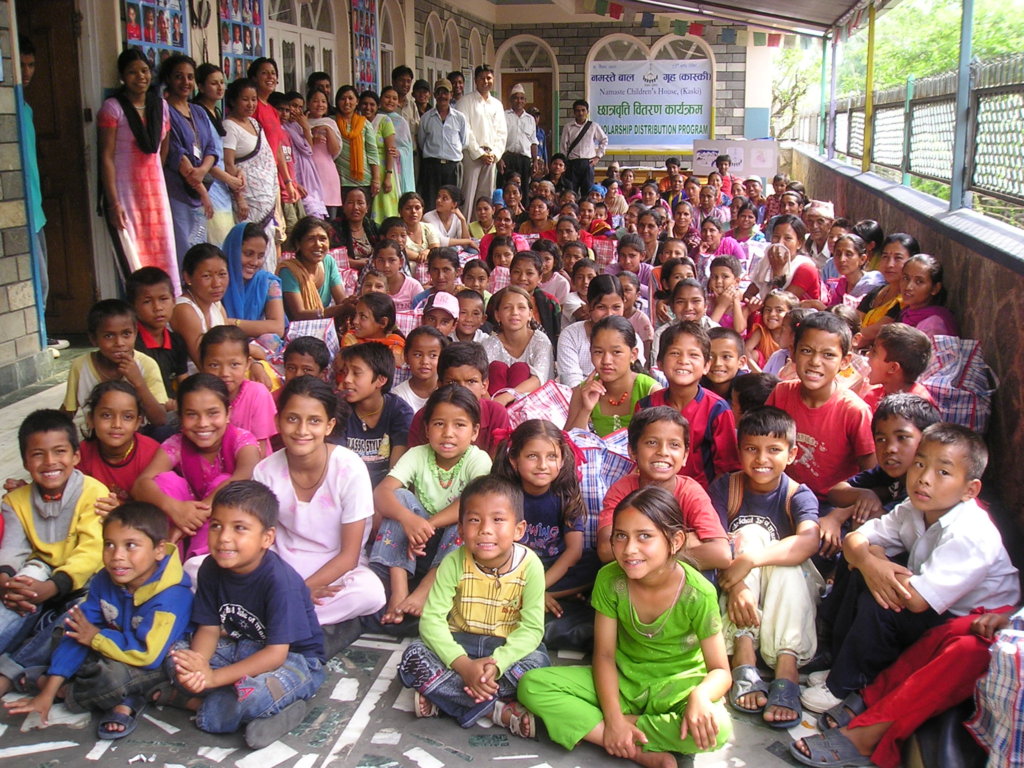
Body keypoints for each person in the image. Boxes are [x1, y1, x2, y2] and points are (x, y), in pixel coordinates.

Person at [801, 424, 1020, 717]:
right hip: (927, 593)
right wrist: (870, 561)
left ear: (970, 490)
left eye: (943, 472)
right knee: (856, 570)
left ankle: (846, 684)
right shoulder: (913, 508)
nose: (924, 478)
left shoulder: (970, 533)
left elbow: (915, 601)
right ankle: (837, 657)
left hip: (970, 618)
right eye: (919, 464)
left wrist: (872, 561)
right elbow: (855, 540)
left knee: (883, 603)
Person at [518, 485, 732, 760]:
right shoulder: (610, 579)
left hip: (678, 689)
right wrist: (614, 717)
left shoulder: (698, 593)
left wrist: (699, 696)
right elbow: (604, 655)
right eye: (620, 536)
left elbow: (721, 671)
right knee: (533, 685)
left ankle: (605, 729)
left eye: (645, 536)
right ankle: (634, 748)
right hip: (622, 682)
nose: (629, 549)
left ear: (676, 541)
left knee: (719, 730)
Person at [3, 503, 192, 740]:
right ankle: (61, 687)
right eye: (109, 544)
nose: (117, 556)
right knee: (67, 628)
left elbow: (148, 656)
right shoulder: (105, 579)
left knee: (111, 680)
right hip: (112, 647)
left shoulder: (172, 597)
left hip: (157, 663)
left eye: (130, 545)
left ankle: (67, 690)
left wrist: (95, 638)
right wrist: (47, 695)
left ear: (159, 550)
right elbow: (79, 630)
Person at [164, 481, 326, 749]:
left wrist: (212, 678)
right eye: (216, 526)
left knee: (253, 696)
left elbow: (276, 655)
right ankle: (238, 706)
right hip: (241, 647)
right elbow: (209, 629)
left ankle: (204, 705)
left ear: (267, 538)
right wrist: (199, 666)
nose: (224, 537)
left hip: (293, 660)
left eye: (239, 528)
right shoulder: (210, 568)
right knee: (177, 654)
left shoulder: (279, 581)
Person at [397, 476, 549, 733]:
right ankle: (497, 710)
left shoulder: (530, 565)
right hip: (460, 644)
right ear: (460, 528)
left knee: (537, 668)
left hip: (504, 649)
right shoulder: (453, 562)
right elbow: (432, 621)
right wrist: (463, 665)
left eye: (498, 520)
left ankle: (446, 698)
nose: (485, 530)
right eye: (475, 520)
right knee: (414, 657)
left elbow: (532, 629)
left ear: (519, 529)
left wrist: (497, 664)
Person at [711, 407, 823, 728]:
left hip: (787, 592)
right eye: (752, 448)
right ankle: (743, 652)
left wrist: (749, 560)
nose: (762, 458)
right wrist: (738, 584)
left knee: (783, 559)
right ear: (739, 451)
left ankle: (787, 664)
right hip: (736, 587)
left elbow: (808, 541)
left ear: (792, 454)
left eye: (774, 449)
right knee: (746, 536)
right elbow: (715, 542)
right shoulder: (726, 487)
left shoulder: (797, 495)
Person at [253, 376, 385, 639]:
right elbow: (259, 541)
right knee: (197, 568)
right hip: (280, 567)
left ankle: (267, 619)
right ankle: (292, 618)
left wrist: (300, 590)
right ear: (278, 421)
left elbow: (349, 556)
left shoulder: (349, 468)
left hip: (335, 569)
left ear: (329, 425)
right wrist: (286, 587)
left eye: (314, 421)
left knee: (370, 592)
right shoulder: (265, 471)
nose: (302, 430)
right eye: (292, 419)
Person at [370, 385, 493, 625]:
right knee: (399, 497)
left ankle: (426, 588)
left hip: (451, 545)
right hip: (413, 542)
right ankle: (399, 590)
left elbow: (473, 503)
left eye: (459, 425)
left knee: (471, 515)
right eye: (439, 424)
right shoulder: (418, 454)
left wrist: (428, 524)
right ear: (427, 429)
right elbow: (382, 492)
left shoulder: (478, 459)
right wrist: (408, 519)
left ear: (475, 431)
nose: (448, 433)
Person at [0, 410, 106, 674]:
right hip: (39, 573)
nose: (50, 462)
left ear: (76, 456)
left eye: (60, 452)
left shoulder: (93, 492)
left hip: (85, 579)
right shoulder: (15, 501)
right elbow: (13, 548)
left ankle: (11, 670)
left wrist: (53, 587)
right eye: (38, 454)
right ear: (25, 462)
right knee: (19, 591)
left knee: (85, 612)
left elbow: (90, 551)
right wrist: (6, 581)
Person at [132, 374, 261, 557]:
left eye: (212, 413)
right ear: (180, 417)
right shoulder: (176, 444)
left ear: (228, 414)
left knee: (226, 485)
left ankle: (198, 562)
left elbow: (245, 474)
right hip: (182, 517)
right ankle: (168, 556)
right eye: (192, 415)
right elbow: (140, 484)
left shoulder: (242, 440)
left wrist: (197, 514)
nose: (203, 423)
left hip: (223, 527)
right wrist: (174, 508)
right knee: (165, 481)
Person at [493, 421, 595, 643]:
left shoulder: (566, 495)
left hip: (555, 569)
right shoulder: (504, 496)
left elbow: (574, 551)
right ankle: (532, 596)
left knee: (596, 563)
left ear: (562, 460)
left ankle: (529, 597)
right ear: (514, 460)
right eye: (532, 456)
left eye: (551, 457)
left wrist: (537, 589)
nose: (542, 465)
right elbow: (495, 548)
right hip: (513, 569)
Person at [765, 312, 875, 508]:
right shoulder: (781, 393)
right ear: (793, 352)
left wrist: (838, 516)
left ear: (845, 361)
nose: (815, 361)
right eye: (806, 351)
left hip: (828, 505)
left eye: (828, 355)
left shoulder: (854, 411)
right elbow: (764, 442)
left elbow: (871, 475)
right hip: (781, 495)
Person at [817, 394, 941, 557]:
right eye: (881, 439)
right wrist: (864, 494)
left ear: (927, 441)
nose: (890, 448)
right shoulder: (887, 473)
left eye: (902, 438)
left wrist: (840, 515)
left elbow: (870, 521)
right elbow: (835, 492)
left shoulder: (924, 489)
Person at [98, 49, 178, 291]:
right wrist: (114, 203)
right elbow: (106, 156)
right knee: (133, 255)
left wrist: (152, 180)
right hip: (125, 194)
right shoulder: (113, 108)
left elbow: (162, 150)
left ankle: (164, 306)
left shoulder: (161, 107)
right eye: (132, 72)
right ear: (122, 77)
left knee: (163, 253)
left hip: (155, 196)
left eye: (144, 71)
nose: (140, 77)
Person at [637, 322, 740, 489]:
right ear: (660, 363)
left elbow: (727, 469)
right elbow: (638, 458)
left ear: (706, 366)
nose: (683, 361)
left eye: (693, 355)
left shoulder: (717, 409)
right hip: (653, 495)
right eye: (675, 353)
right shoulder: (646, 406)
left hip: (703, 495)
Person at [62, 299, 168, 428]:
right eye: (109, 336)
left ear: (135, 333)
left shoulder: (147, 365)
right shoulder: (80, 366)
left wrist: (139, 383)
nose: (119, 343)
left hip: (138, 435)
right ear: (93, 339)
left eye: (126, 334)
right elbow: (68, 412)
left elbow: (160, 420)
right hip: (97, 436)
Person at [159, 55, 217, 266]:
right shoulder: (165, 110)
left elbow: (210, 148)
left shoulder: (198, 111)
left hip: (200, 190)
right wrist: (203, 191)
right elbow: (176, 155)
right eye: (179, 77)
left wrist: (202, 171)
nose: (185, 82)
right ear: (168, 79)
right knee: (184, 251)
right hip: (179, 192)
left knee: (199, 251)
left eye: (190, 77)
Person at [335, 341, 412, 488]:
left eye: (356, 373)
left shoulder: (399, 411)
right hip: (347, 487)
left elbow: (397, 473)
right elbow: (338, 466)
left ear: (380, 380)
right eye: (345, 372)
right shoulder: (339, 409)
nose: (347, 379)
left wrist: (381, 495)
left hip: (385, 489)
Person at [565, 316, 657, 437]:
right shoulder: (583, 391)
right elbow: (567, 443)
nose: (606, 361)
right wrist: (585, 410)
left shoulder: (650, 391)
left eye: (616, 352)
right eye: (598, 352)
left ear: (633, 355)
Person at [199, 325, 278, 457]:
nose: (224, 373)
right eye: (214, 365)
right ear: (202, 365)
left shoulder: (257, 394)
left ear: (247, 364)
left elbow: (260, 451)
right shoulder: (198, 397)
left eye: (234, 364)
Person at [77, 381, 161, 504]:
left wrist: (120, 507)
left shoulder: (153, 454)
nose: (117, 424)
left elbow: (157, 505)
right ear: (91, 419)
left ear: (138, 423)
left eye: (127, 417)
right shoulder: (81, 455)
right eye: (106, 415)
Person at [223, 78, 279, 244]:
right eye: (245, 99)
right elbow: (228, 164)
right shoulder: (229, 126)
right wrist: (239, 198)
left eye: (254, 99)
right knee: (250, 242)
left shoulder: (255, 123)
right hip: (248, 200)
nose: (250, 104)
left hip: (266, 196)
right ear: (233, 101)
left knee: (268, 242)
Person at [192, 64, 243, 246]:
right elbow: (202, 156)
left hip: (222, 187)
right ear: (200, 86)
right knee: (218, 243)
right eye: (214, 83)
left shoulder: (216, 111)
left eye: (222, 82)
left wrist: (235, 174)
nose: (220, 87)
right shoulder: (197, 113)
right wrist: (228, 179)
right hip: (210, 186)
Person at [221, 223, 286, 358]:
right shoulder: (218, 281)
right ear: (232, 251)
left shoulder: (268, 282)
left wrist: (231, 323)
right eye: (248, 254)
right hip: (223, 347)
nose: (254, 262)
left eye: (260, 256)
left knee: (271, 339)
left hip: (256, 347)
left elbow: (278, 327)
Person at [482, 286, 553, 405]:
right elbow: (480, 380)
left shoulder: (541, 341)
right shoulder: (489, 344)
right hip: (494, 404)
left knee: (521, 369)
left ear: (530, 314)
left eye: (521, 307)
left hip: (533, 404)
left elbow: (538, 379)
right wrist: (491, 405)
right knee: (497, 368)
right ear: (497, 315)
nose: (514, 312)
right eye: (507, 307)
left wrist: (505, 398)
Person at [127, 267, 189, 404]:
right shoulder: (131, 345)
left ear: (174, 301)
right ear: (133, 307)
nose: (157, 307)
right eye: (147, 301)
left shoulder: (177, 341)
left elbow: (183, 381)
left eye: (163, 299)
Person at [557, 275, 627, 387]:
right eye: (601, 307)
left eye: (616, 307)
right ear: (588, 306)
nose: (609, 314)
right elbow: (571, 381)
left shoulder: (631, 338)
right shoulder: (571, 335)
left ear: (624, 304)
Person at [170, 243, 229, 369]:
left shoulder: (216, 305)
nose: (217, 283)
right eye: (207, 276)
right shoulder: (184, 309)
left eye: (222, 274)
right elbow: (204, 364)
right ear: (187, 277)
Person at [278, 217, 348, 322]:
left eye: (323, 239)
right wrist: (337, 310)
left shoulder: (328, 262)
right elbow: (298, 314)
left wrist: (351, 303)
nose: (318, 244)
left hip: (324, 326)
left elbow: (341, 301)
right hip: (298, 328)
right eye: (311, 239)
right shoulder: (289, 271)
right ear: (298, 244)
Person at [457, 65, 506, 214]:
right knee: (468, 196)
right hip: (471, 155)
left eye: (488, 78)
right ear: (475, 80)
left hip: (490, 157)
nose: (485, 81)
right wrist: (479, 153)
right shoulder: (465, 102)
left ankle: (482, 227)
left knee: (485, 198)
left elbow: (502, 132)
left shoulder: (497, 104)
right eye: (482, 78)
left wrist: (495, 154)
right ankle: (465, 226)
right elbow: (466, 131)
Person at [417, 78, 469, 211]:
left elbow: (464, 142)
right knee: (431, 202)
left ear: (451, 95)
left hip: (452, 167)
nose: (442, 96)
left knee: (452, 204)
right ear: (434, 95)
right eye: (439, 92)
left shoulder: (460, 118)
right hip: (432, 167)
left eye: (445, 93)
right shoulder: (426, 118)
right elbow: (422, 142)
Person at [858, 233, 919, 344]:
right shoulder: (877, 291)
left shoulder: (905, 301)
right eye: (885, 257)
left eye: (898, 258)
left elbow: (876, 331)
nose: (889, 264)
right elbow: (855, 319)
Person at [862, 323, 935, 412]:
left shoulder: (917, 408)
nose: (867, 354)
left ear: (893, 367)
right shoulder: (873, 396)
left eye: (874, 352)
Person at [279, 91, 327, 220]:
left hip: (306, 173)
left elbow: (309, 149)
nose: (297, 111)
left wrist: (306, 127)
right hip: (293, 176)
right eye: (294, 106)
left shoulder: (297, 126)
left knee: (314, 215)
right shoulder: (282, 128)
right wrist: (294, 183)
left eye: (300, 107)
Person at [334, 85, 381, 198]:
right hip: (339, 179)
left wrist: (376, 179)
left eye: (350, 98)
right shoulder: (331, 122)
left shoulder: (365, 124)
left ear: (357, 102)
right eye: (343, 98)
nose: (347, 102)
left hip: (363, 180)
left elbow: (372, 153)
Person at [896, 253, 958, 338]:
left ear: (935, 288)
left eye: (919, 282)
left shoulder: (934, 325)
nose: (908, 287)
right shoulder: (906, 312)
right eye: (906, 278)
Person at [559, 99, 608, 199]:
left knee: (587, 192)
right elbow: (563, 146)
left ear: (587, 112)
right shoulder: (568, 127)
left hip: (588, 163)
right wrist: (564, 163)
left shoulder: (593, 126)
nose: (580, 113)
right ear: (574, 112)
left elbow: (604, 140)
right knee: (571, 191)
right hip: (572, 163)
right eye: (577, 110)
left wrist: (598, 157)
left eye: (583, 110)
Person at [393, 326, 447, 412]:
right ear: (406, 357)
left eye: (433, 355)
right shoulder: (398, 396)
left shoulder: (447, 392)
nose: (425, 361)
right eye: (418, 355)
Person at [306, 87, 343, 213]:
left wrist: (327, 129)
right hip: (308, 172)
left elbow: (335, 150)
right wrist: (311, 134)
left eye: (323, 101)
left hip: (327, 173)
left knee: (330, 216)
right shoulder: (301, 123)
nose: (320, 105)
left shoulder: (330, 123)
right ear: (308, 103)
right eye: (315, 101)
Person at [744, 289, 797, 372]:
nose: (772, 314)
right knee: (754, 354)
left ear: (790, 313)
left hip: (783, 373)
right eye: (768, 310)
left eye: (779, 310)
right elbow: (746, 350)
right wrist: (760, 374)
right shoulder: (761, 332)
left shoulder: (792, 335)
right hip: (761, 373)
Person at [379, 86, 416, 200]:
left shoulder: (401, 122)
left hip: (396, 167)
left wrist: (399, 152)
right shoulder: (374, 117)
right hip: (377, 165)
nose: (390, 101)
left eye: (394, 98)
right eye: (387, 97)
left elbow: (408, 148)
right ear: (381, 98)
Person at [501, 84, 539, 187]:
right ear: (511, 100)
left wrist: (535, 161)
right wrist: (499, 159)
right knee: (506, 188)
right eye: (516, 98)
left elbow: (533, 141)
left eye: (522, 98)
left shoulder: (530, 119)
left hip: (524, 161)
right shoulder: (504, 116)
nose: (519, 101)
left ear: (525, 101)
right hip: (507, 159)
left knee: (524, 189)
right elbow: (498, 139)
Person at [704, 327, 749, 401]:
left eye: (726, 357)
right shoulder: (696, 385)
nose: (717, 363)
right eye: (710, 357)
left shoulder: (749, 391)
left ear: (741, 362)